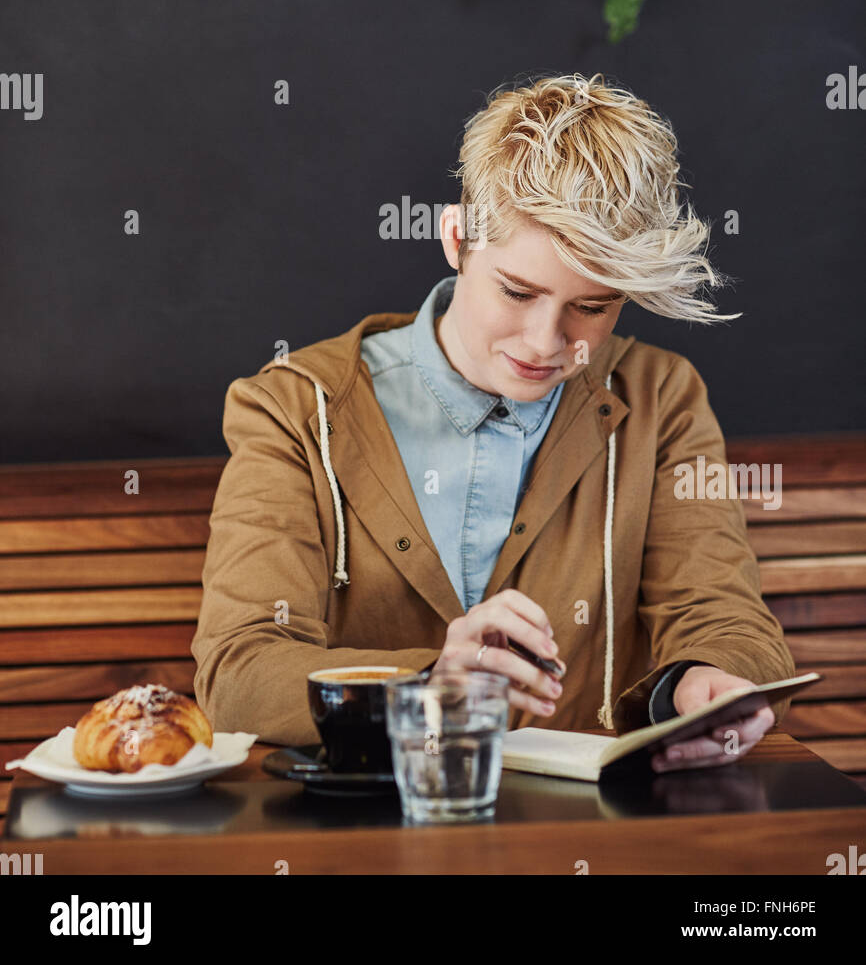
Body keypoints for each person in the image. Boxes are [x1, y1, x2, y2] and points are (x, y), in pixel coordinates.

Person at [192, 73, 795, 773]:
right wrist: (428, 686)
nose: (546, 343)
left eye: (593, 307)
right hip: (363, 837)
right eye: (517, 290)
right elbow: (240, 671)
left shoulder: (662, 398)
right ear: (456, 239)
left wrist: (705, 680)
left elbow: (725, 618)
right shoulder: (297, 408)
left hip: (585, 839)